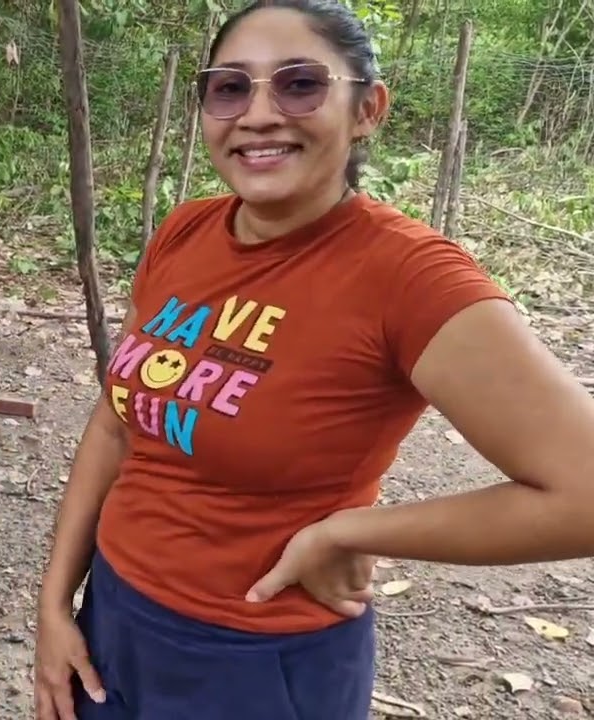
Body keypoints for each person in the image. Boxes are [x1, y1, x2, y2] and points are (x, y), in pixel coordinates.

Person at [33, 1, 594, 719]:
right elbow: (116, 425)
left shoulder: (409, 277)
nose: (259, 113)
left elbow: (581, 494)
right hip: (112, 618)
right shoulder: (187, 230)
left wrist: (350, 531)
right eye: (230, 87)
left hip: (257, 662)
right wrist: (55, 603)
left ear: (367, 109)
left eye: (300, 84)